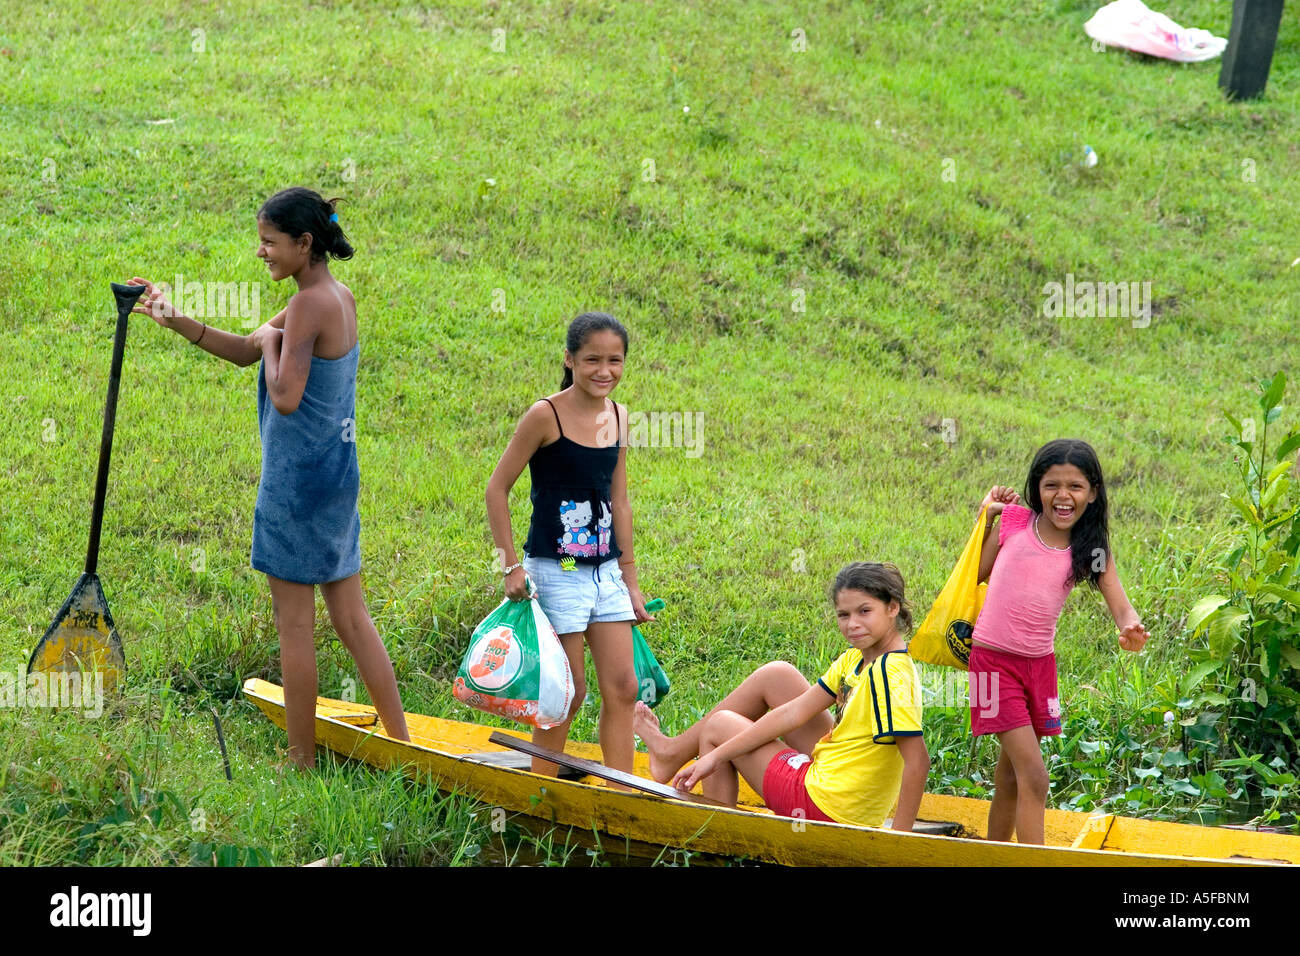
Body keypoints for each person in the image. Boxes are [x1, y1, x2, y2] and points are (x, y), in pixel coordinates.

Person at [127, 186, 409, 768]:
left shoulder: (307, 307)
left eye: (269, 242)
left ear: (304, 243)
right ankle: (402, 742)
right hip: (336, 477)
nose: (262, 252)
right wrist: (169, 315)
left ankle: (300, 758)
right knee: (353, 618)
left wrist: (273, 339)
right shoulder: (335, 295)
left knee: (294, 626)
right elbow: (244, 351)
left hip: (297, 484)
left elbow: (284, 396)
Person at [635, 563, 929, 831]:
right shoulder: (856, 659)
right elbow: (791, 714)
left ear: (892, 608)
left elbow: (918, 761)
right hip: (836, 784)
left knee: (718, 728)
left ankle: (717, 838)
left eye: (864, 611)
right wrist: (713, 758)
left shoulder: (891, 677)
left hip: (823, 807)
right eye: (843, 614)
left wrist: (898, 840)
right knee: (778, 675)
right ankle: (672, 755)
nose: (852, 624)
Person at [486, 312, 650, 776]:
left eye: (615, 360)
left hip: (605, 573)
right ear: (569, 359)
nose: (605, 371)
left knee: (623, 686)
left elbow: (618, 499)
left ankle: (620, 793)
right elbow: (496, 489)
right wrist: (509, 566)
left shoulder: (618, 417)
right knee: (568, 689)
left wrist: (630, 581)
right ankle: (544, 792)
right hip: (557, 571)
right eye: (592, 359)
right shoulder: (546, 415)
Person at [972, 438, 1149, 844]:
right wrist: (985, 517)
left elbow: (1120, 603)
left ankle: (995, 853)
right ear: (1036, 487)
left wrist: (1131, 627)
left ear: (1093, 493)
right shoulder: (1016, 522)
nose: (1063, 496)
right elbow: (976, 573)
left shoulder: (1092, 549)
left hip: (1038, 668)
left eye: (1075, 486)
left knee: (1011, 777)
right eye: (1052, 485)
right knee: (1034, 775)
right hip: (990, 664)